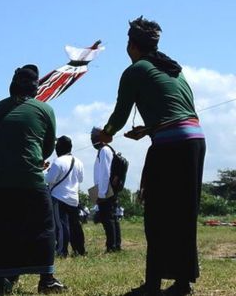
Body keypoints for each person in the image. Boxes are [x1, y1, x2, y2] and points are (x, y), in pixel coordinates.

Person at [97, 17, 206, 296]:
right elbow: (180, 112)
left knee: (157, 214)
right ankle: (183, 283)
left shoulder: (136, 70)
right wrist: (149, 129)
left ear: (131, 45)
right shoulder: (173, 68)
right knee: (184, 213)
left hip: (170, 146)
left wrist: (106, 133)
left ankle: (153, 284)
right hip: (194, 141)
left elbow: (120, 114)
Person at [0, 65, 66, 294]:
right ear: (36, 88)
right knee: (44, 228)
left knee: (2, 230)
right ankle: (46, 280)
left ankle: (0, 282)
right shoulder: (44, 109)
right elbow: (48, 147)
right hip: (30, 179)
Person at [44, 136, 86, 258]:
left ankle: (62, 251)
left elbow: (49, 179)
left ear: (60, 147)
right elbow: (81, 179)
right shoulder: (79, 162)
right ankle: (79, 250)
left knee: (61, 225)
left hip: (59, 197)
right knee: (75, 225)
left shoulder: (58, 161)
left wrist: (44, 171)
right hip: (73, 198)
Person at [90, 128, 122, 254]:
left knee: (108, 219)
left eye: (94, 136)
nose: (92, 140)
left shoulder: (104, 150)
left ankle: (112, 246)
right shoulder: (103, 150)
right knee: (111, 218)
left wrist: (102, 194)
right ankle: (115, 245)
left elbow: (105, 173)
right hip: (105, 190)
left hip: (106, 191)